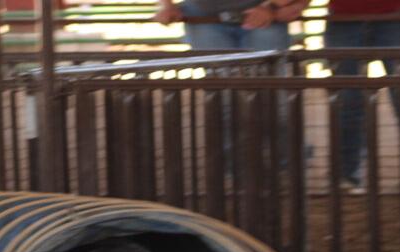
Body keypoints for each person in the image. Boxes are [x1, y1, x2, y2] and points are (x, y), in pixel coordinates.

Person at [324, 0, 400, 193]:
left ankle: (346, 174)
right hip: (344, 17)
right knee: (347, 99)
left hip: (391, 16)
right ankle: (346, 174)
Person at [153, 0, 306, 51]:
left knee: (267, 80)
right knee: (219, 81)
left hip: (264, 14)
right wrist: (166, 5)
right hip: (204, 14)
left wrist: (271, 7)